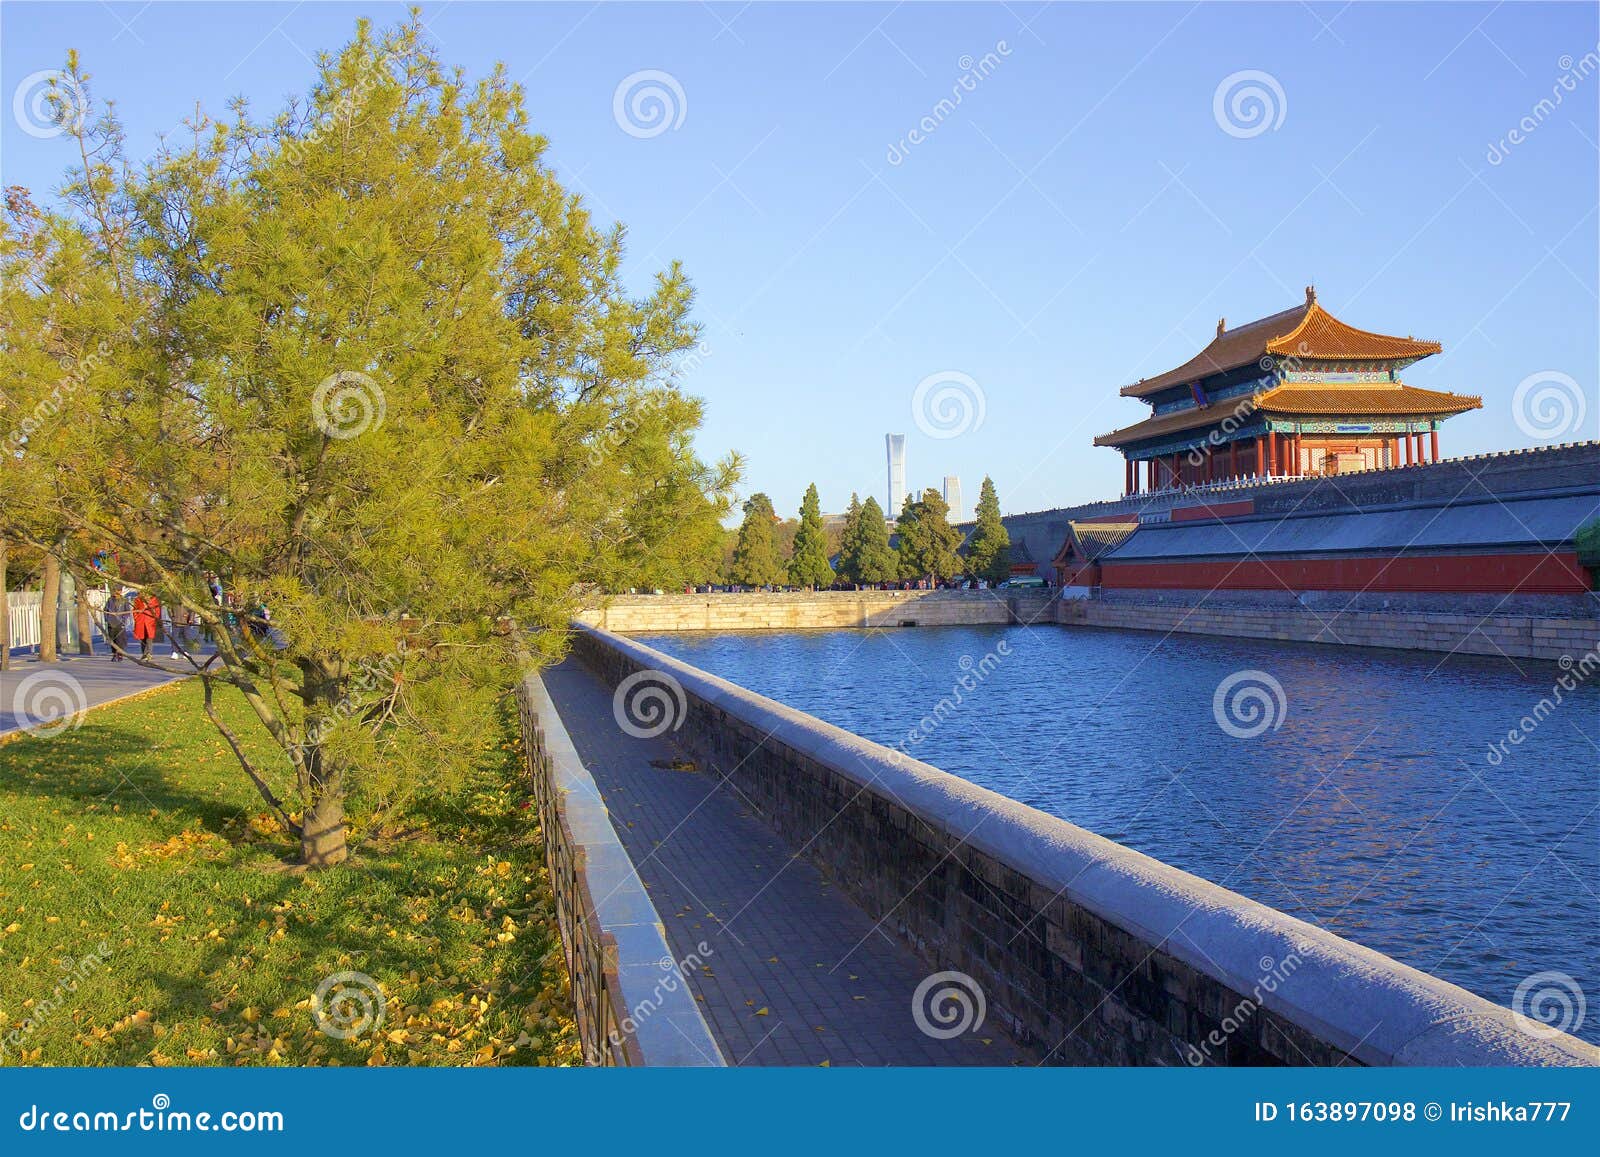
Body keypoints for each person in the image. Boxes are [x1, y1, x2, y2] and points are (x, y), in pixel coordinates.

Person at [131, 592, 161, 661]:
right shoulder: (138, 600)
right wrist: (136, 618)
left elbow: (157, 611)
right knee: (142, 638)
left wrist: (154, 618)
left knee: (149, 638)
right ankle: (144, 654)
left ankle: (149, 653)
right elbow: (135, 610)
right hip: (141, 621)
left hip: (150, 621)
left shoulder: (153, 600)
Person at [103, 590, 131, 661]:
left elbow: (128, 611)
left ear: (120, 592)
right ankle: (114, 654)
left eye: (118, 591)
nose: (116, 593)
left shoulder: (124, 600)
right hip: (111, 623)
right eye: (115, 591)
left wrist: (123, 619)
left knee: (120, 640)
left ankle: (120, 654)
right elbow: (105, 610)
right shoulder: (110, 600)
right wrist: (107, 619)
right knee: (112, 639)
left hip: (120, 623)